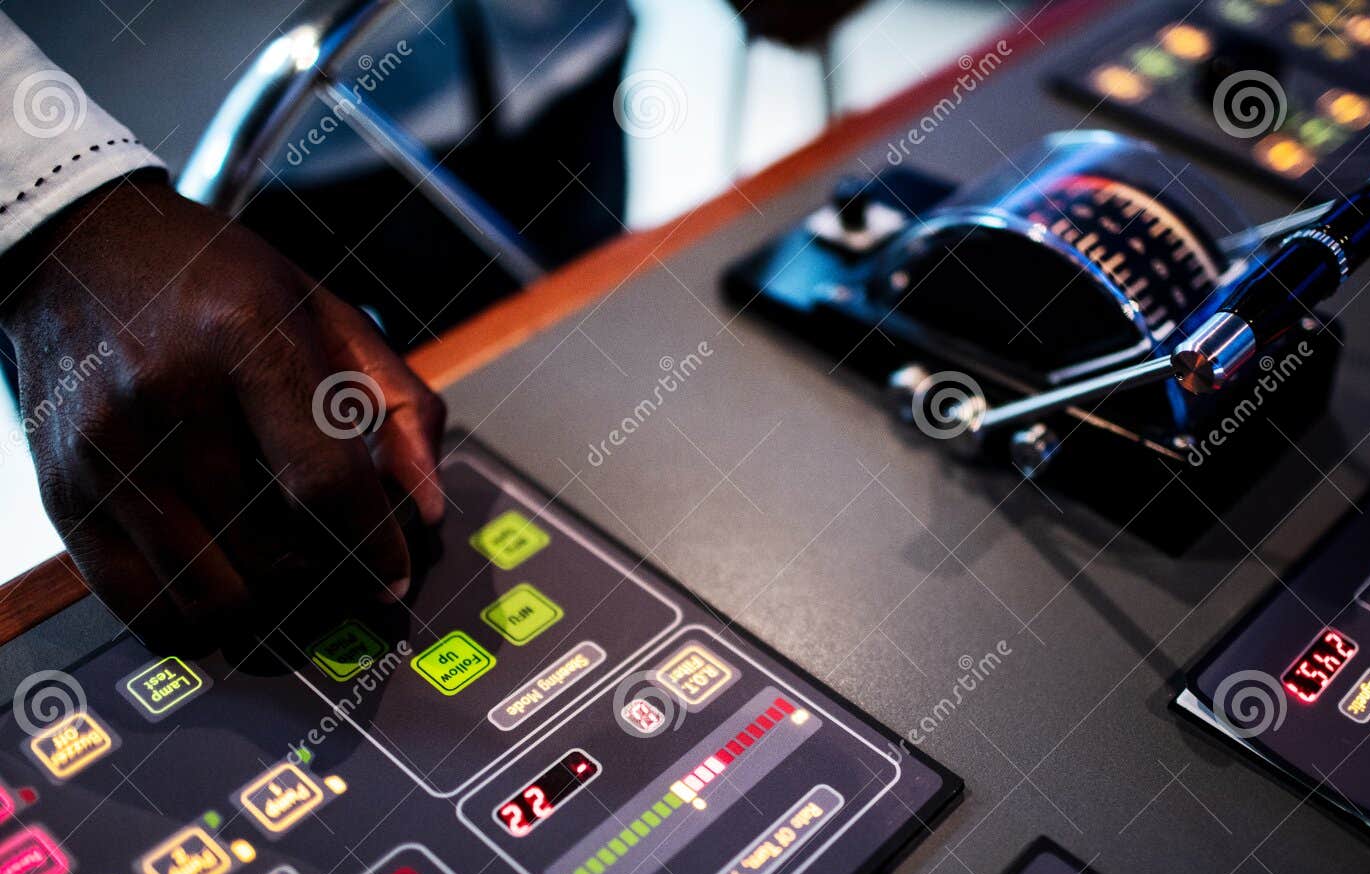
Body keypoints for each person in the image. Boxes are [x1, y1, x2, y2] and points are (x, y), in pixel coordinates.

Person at [0, 2, 866, 653]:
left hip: (566, 63)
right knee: (253, 524)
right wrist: (53, 203)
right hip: (185, 174)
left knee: (580, 433)